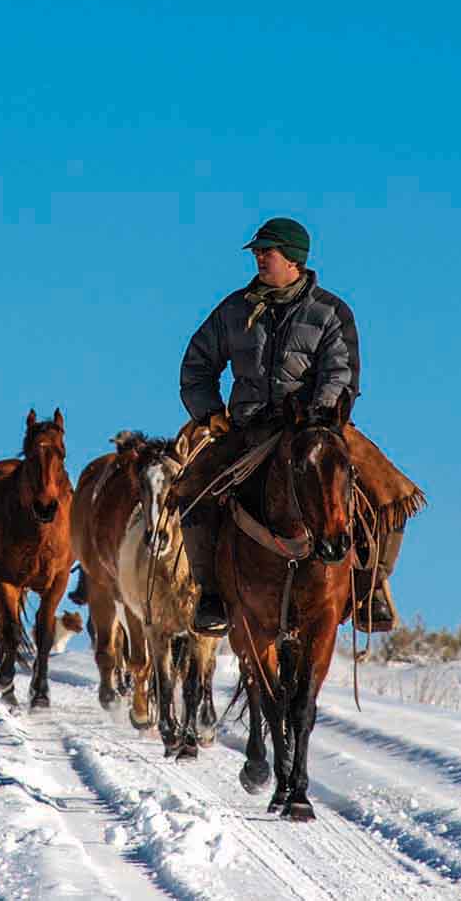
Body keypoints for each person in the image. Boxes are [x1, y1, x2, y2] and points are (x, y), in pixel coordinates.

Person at [175, 217, 390, 635]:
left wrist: (316, 417)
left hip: (317, 429)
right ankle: (211, 595)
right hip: (249, 430)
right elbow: (196, 365)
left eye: (266, 251)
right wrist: (209, 414)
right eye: (257, 251)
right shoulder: (234, 310)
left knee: (389, 489)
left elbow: (341, 372)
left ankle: (370, 587)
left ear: (293, 259)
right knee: (192, 489)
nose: (258, 257)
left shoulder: (331, 312)